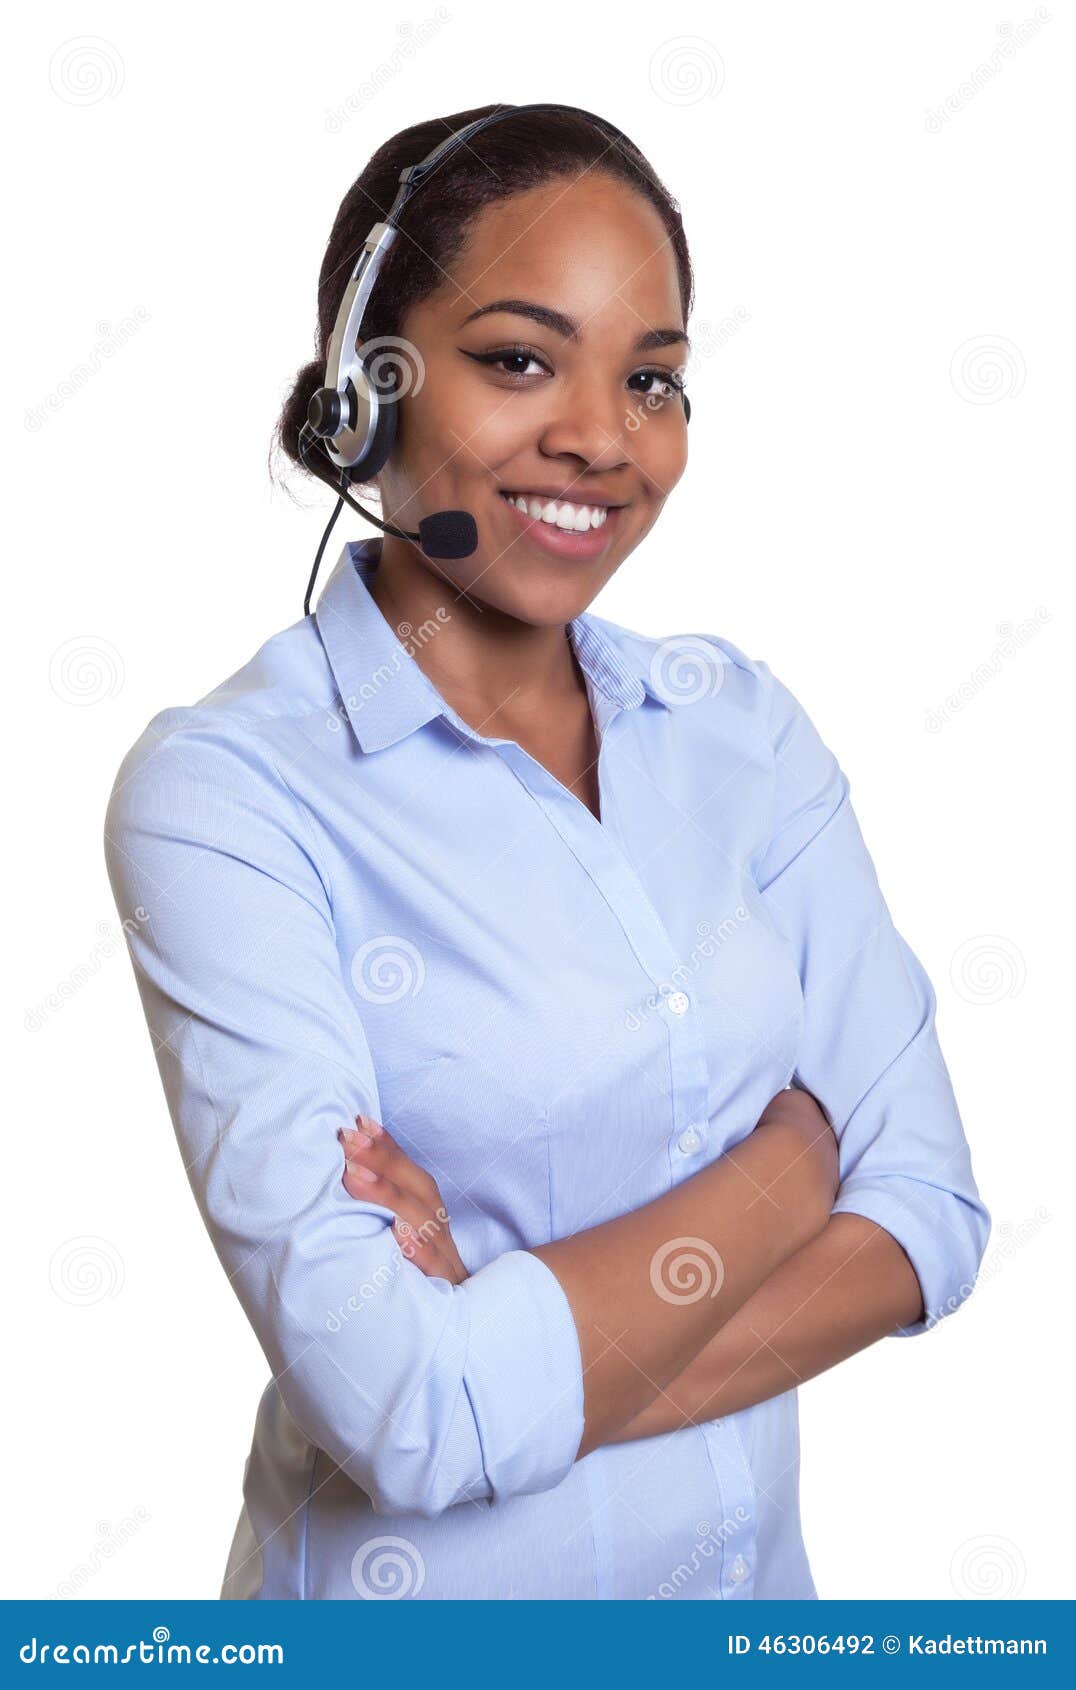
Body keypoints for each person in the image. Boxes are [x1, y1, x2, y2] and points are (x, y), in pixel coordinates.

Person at [103, 103, 991, 1601]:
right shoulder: (228, 797)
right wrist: (792, 1161)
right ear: (361, 395)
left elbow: (932, 1222)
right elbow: (404, 1410)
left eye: (652, 378)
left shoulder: (740, 734)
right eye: (519, 358)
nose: (601, 433)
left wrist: (516, 1354)